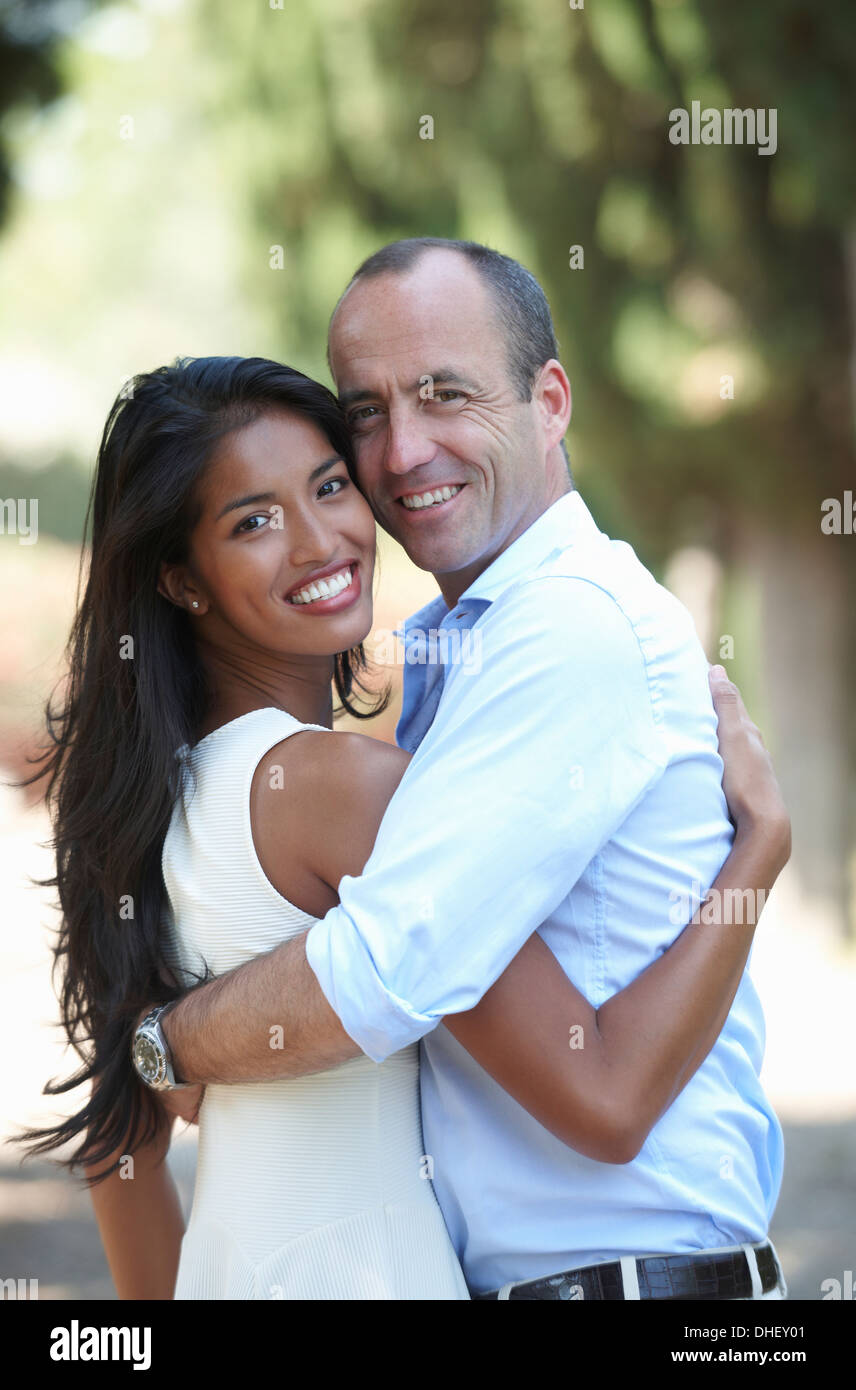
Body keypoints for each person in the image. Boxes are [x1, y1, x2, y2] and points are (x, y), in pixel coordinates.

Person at [16, 341, 786, 1301]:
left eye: (330, 486)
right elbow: (608, 1097)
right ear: (181, 578)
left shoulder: (149, 805)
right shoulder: (346, 787)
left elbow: (117, 1143)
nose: (317, 541)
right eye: (253, 520)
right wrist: (754, 857)